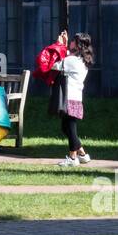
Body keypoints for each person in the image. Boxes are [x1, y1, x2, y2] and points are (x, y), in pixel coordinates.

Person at [45, 32, 94, 167]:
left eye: (73, 40)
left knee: (70, 129)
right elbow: (65, 57)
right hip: (76, 98)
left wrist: (60, 45)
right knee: (66, 128)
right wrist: (64, 45)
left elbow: (55, 65)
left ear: (78, 45)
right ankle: (82, 154)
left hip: (70, 98)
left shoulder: (73, 61)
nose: (71, 42)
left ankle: (73, 158)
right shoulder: (81, 60)